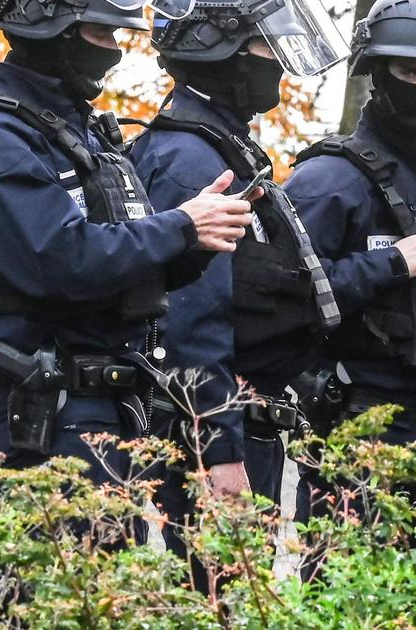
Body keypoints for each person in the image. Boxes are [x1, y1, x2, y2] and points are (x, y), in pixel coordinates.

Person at [0, 0, 253, 529]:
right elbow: (59, 261)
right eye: (100, 34)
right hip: (52, 408)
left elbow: (121, 266)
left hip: (111, 409)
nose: (113, 52)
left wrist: (193, 244)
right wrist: (181, 226)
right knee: (56, 597)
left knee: (106, 597)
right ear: (52, 30)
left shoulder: (75, 133)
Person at [128, 0, 347, 575]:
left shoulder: (217, 146)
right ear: (217, 50)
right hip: (217, 431)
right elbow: (192, 324)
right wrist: (219, 455)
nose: (274, 59)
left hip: (244, 421)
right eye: (262, 45)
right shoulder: (190, 159)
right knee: (220, 595)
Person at [283, 0, 416, 548]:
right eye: (409, 71)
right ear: (378, 74)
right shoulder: (329, 178)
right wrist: (388, 264)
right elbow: (277, 300)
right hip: (355, 426)